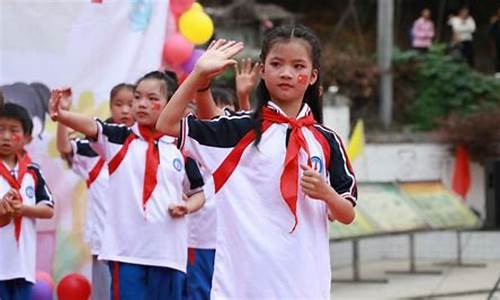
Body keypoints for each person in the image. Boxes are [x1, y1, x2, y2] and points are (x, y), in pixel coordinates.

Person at [157, 25, 357, 299]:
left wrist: (326, 194)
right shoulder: (237, 130)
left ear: (312, 77)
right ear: (262, 71)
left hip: (306, 286)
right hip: (244, 288)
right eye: (276, 64)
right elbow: (166, 124)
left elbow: (347, 214)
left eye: (298, 66)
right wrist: (198, 75)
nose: (286, 73)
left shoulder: (326, 140)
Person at [49, 71, 205, 300]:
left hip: (168, 253)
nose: (142, 104)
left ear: (171, 104)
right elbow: (91, 126)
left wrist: (187, 207)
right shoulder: (118, 138)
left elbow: (197, 194)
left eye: (152, 99)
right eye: (137, 98)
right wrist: (61, 114)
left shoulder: (181, 147)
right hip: (127, 253)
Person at [54, 83, 134, 300]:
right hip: (104, 243)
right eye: (119, 104)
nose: (125, 110)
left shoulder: (145, 146)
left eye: (130, 103)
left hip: (136, 245)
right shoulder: (92, 149)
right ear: (110, 107)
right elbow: (64, 148)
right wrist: (64, 114)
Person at [0, 103, 54, 300]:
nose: (6, 136)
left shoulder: (32, 171)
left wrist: (22, 209)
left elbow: (48, 209)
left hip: (22, 265)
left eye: (13, 131)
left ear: (27, 138)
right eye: (0, 130)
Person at [490, 8, 500, 78]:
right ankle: (498, 73)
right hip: (497, 44)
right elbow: (491, 34)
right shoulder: (495, 23)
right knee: (497, 57)